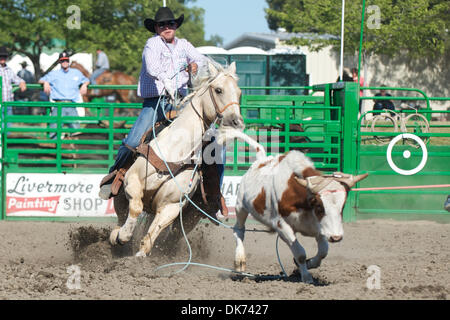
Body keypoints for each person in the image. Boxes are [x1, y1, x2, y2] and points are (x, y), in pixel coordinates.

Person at [98, 7, 228, 215]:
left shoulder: (184, 46)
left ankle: (214, 195)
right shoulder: (152, 44)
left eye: (171, 24)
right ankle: (116, 174)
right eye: (162, 25)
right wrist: (166, 79)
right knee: (133, 141)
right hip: (155, 101)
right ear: (156, 28)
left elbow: (202, 60)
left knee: (213, 145)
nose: (167, 27)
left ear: (176, 26)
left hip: (181, 102)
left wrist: (196, 65)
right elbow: (151, 67)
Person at [38, 51, 90, 139]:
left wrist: (85, 85)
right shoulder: (54, 74)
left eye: (66, 60)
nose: (64, 62)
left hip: (71, 105)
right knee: (54, 131)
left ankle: (74, 151)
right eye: (62, 61)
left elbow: (86, 80)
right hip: (58, 105)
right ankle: (54, 150)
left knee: (76, 131)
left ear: (69, 61)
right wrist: (45, 82)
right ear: (59, 62)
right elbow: (40, 80)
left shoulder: (76, 73)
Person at [0, 46, 26, 129]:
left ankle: (4, 141)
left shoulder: (9, 70)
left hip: (8, 103)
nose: (2, 58)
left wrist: (22, 82)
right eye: (1, 56)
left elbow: (17, 79)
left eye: (4, 56)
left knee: (7, 127)